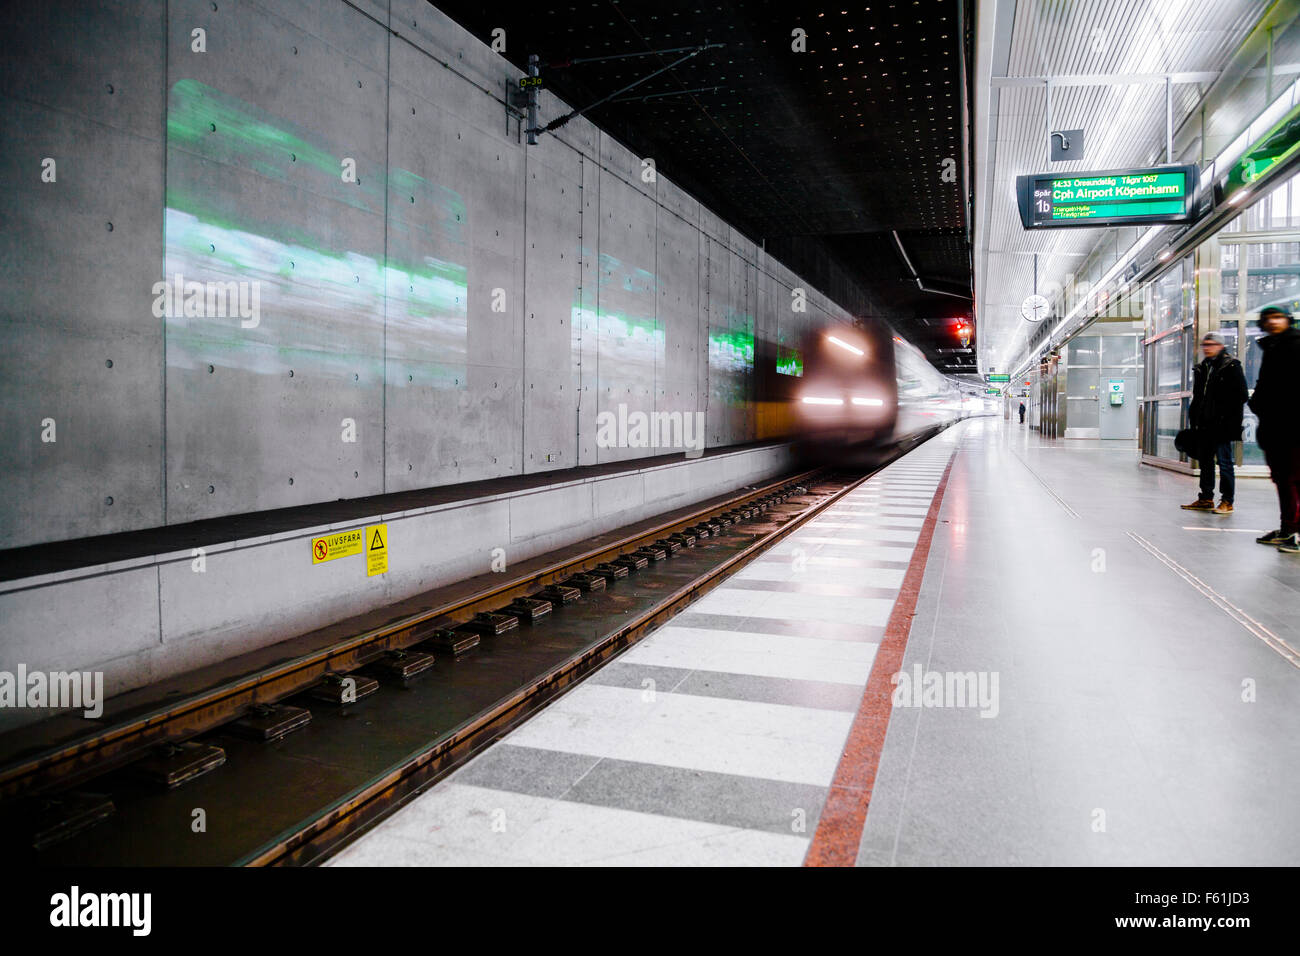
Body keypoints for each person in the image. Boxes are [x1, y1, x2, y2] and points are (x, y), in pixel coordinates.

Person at [1248, 306, 1300, 552]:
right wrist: (1258, 403)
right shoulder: (1272, 347)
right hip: (1275, 427)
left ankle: (1294, 532)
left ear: (1288, 320)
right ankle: (1288, 528)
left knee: (1295, 480)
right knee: (1282, 479)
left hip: (1293, 427)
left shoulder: (1295, 345)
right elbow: (1265, 384)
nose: (1273, 322)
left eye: (1278, 317)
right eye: (1268, 319)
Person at [1181, 331, 1247, 515]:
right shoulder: (1203, 367)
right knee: (1206, 462)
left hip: (1222, 425)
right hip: (1204, 424)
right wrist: (1194, 418)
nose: (1207, 348)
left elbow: (1241, 395)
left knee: (1225, 462)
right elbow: (1198, 397)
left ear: (1220, 346)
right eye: (1205, 345)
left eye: (1211, 344)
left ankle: (1227, 500)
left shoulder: (1231, 366)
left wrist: (1224, 415)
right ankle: (1206, 498)